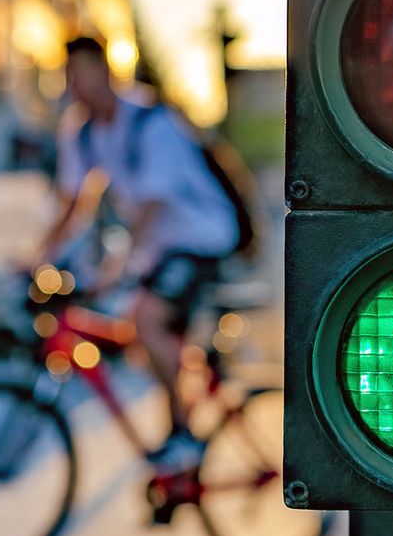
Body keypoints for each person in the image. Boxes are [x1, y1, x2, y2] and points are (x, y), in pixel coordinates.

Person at [34, 36, 240, 469]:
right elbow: (72, 203)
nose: (73, 85)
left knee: (146, 317)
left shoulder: (151, 122)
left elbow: (153, 203)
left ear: (106, 71)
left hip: (199, 237)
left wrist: (120, 263)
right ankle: (180, 424)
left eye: (80, 72)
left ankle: (184, 434)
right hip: (159, 247)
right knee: (137, 328)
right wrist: (38, 257)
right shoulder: (82, 131)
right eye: (67, 76)